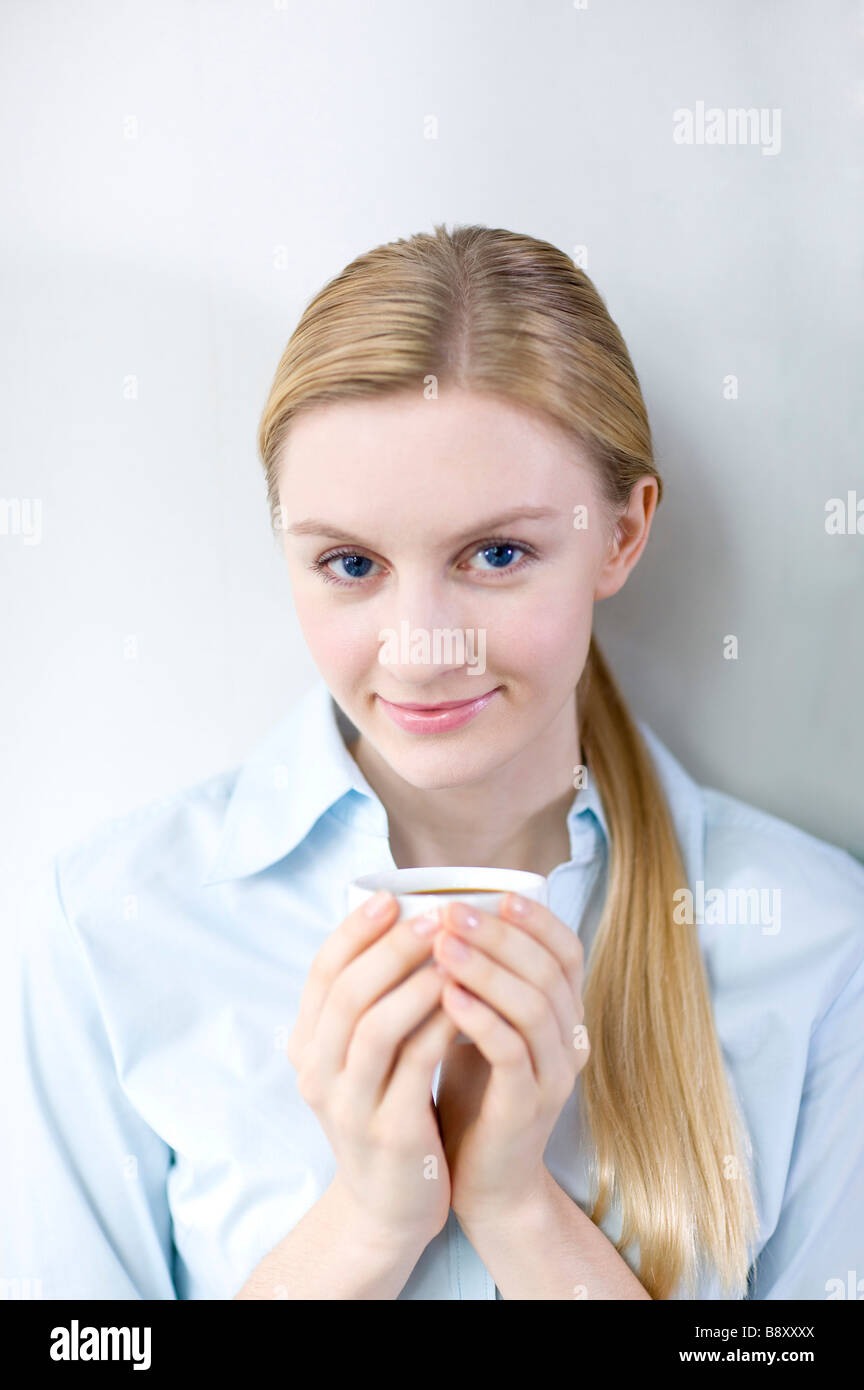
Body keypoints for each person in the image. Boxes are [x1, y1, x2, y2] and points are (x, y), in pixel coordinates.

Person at [4, 224, 862, 1301]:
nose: (422, 645)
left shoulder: (823, 949)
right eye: (350, 563)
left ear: (622, 534)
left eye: (496, 554)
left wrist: (520, 1211)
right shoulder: (106, 928)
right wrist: (363, 1228)